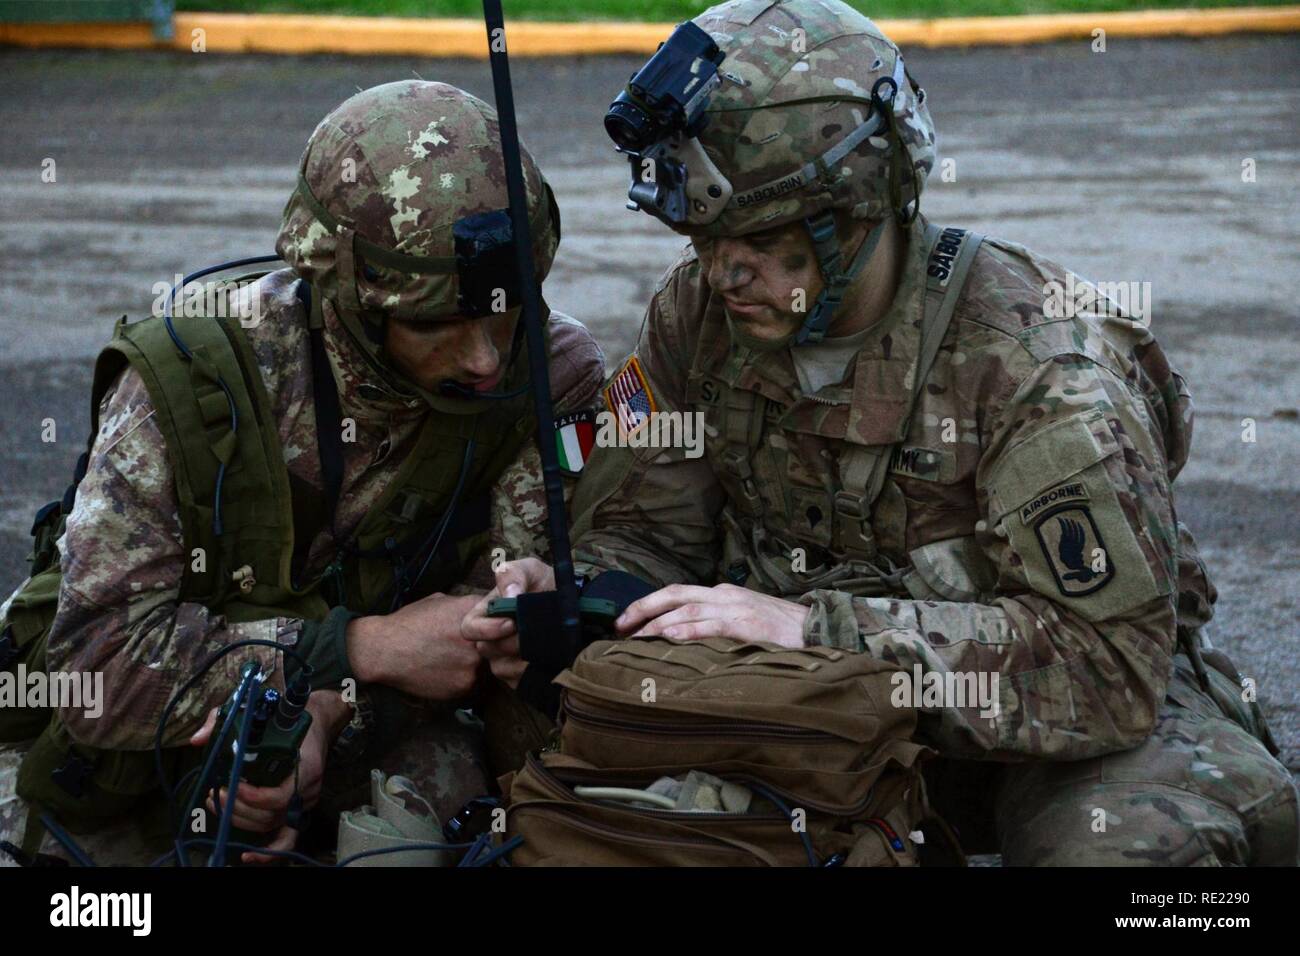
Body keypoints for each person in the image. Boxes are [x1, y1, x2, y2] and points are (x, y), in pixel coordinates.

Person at [466, 0, 1298, 865]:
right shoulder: (702, 313)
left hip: (1048, 730)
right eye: (703, 236)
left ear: (859, 208)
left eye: (754, 235)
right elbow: (651, 527)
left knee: (1124, 852)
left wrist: (813, 631)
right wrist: (585, 593)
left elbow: (1105, 668)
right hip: (809, 709)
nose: (721, 271)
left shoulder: (1036, 364)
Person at [0, 79, 604, 866]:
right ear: (348, 295)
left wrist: (337, 705)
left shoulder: (552, 374)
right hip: (135, 754)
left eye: (504, 309)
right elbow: (97, 664)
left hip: (388, 730)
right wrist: (351, 653)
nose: (484, 357)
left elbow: (525, 598)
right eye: (434, 324)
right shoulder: (189, 383)